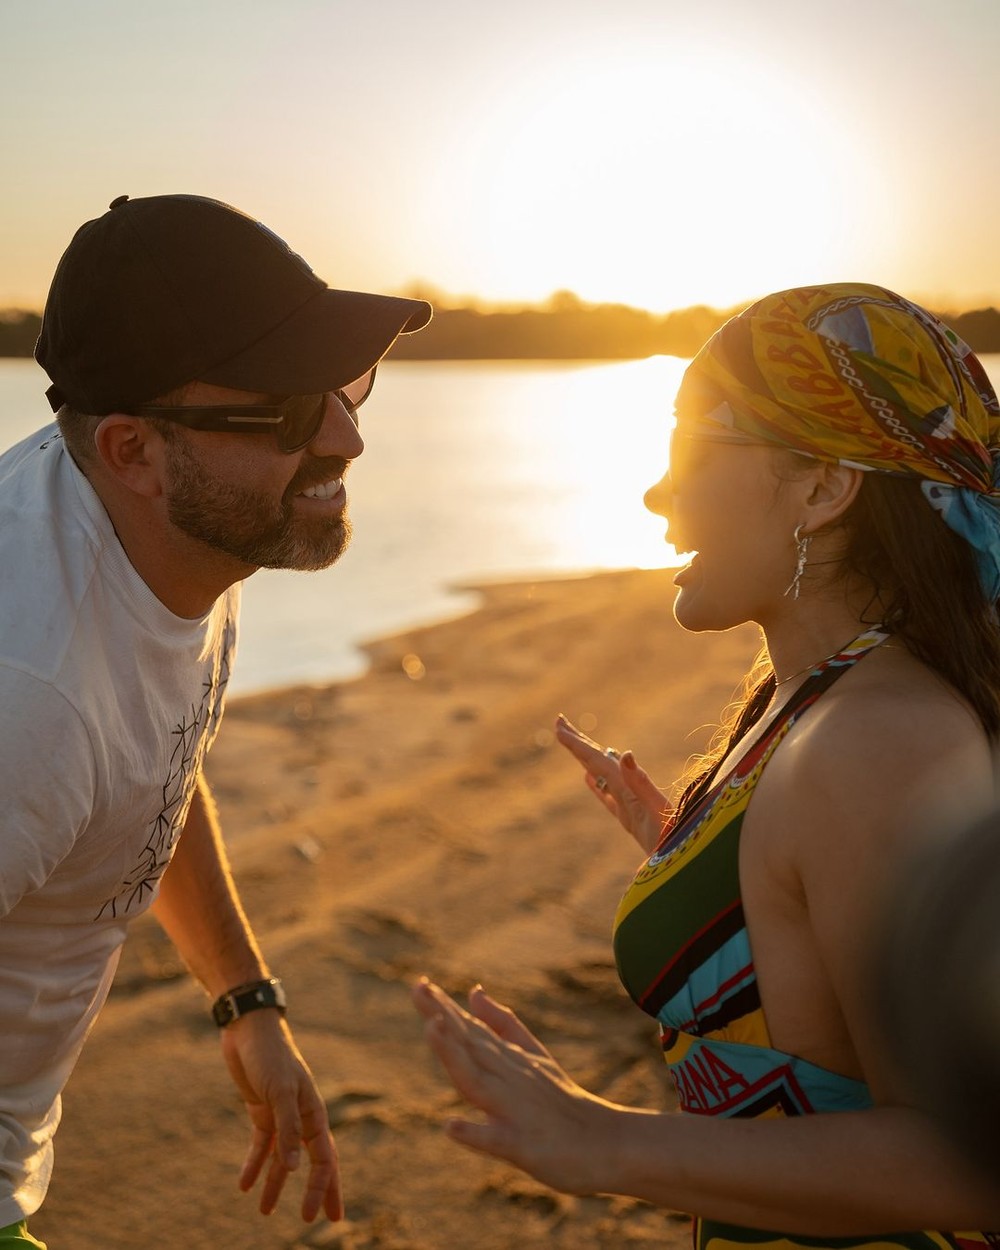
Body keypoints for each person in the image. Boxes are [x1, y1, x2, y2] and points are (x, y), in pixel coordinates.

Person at [413, 283, 1000, 1245]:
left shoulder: (877, 739)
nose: (656, 492)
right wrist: (707, 866)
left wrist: (601, 1141)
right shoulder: (811, 703)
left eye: (690, 447)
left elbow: (968, 1162)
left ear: (822, 486)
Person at [0, 193, 430, 1247]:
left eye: (342, 385)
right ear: (133, 448)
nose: (346, 434)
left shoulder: (180, 525)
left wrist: (244, 994)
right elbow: (80, 728)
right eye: (286, 410)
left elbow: (155, 754)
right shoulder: (27, 698)